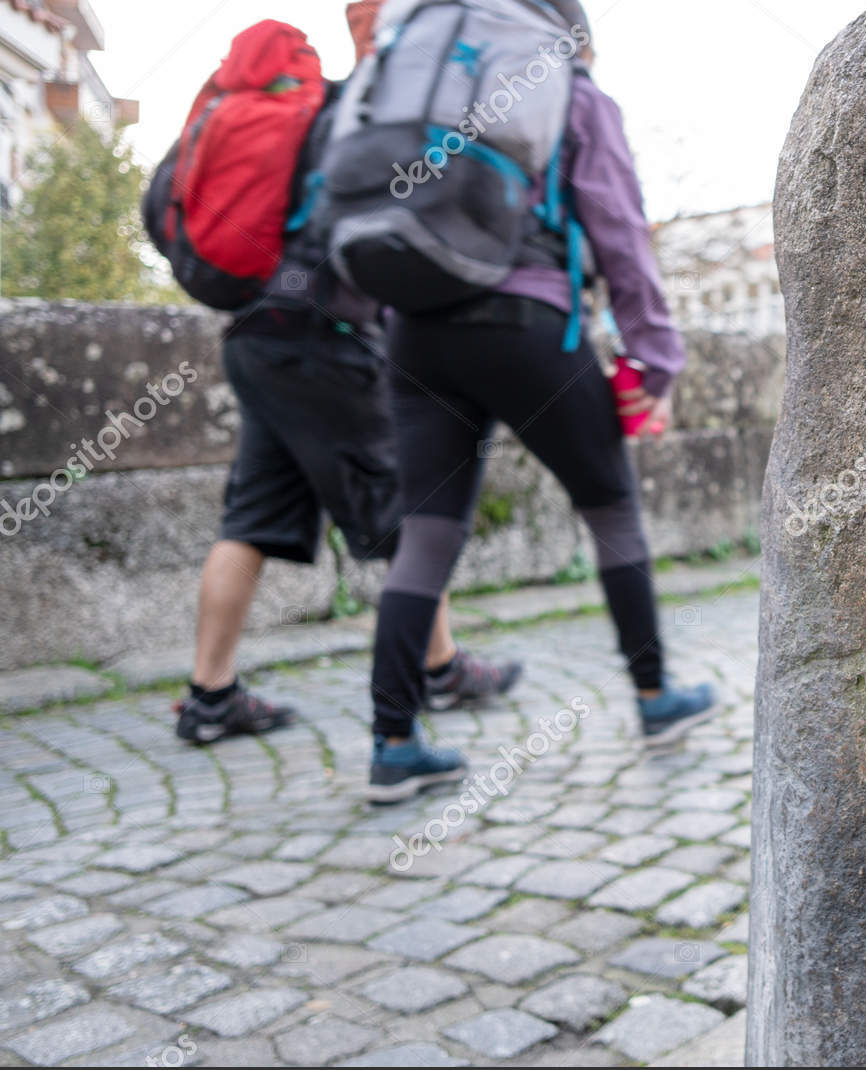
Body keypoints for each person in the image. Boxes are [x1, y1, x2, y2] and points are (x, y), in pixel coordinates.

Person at [367, 0, 717, 795]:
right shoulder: (573, 89)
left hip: (415, 330)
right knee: (610, 508)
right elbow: (621, 233)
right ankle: (657, 697)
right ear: (575, 34)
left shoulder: (417, 80)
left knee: (425, 536)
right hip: (526, 325)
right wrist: (654, 362)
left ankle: (392, 740)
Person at [176, 9, 520, 758]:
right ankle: (429, 683)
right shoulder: (351, 109)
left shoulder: (288, 113)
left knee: (252, 520)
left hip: (259, 334)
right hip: (320, 339)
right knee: (408, 512)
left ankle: (209, 697)